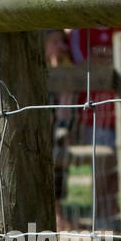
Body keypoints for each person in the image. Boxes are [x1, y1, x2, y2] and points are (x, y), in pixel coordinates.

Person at [69, 26, 121, 228]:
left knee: (118, 167)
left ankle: (111, 213)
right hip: (93, 113)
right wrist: (113, 57)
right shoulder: (81, 29)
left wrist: (101, 57)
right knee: (101, 168)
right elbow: (80, 62)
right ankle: (100, 215)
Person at [45, 28, 75, 230]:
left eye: (62, 42)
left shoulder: (66, 69)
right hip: (44, 126)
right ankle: (55, 216)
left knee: (59, 170)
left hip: (58, 127)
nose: (61, 46)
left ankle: (58, 215)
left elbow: (66, 103)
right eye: (55, 42)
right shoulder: (39, 69)